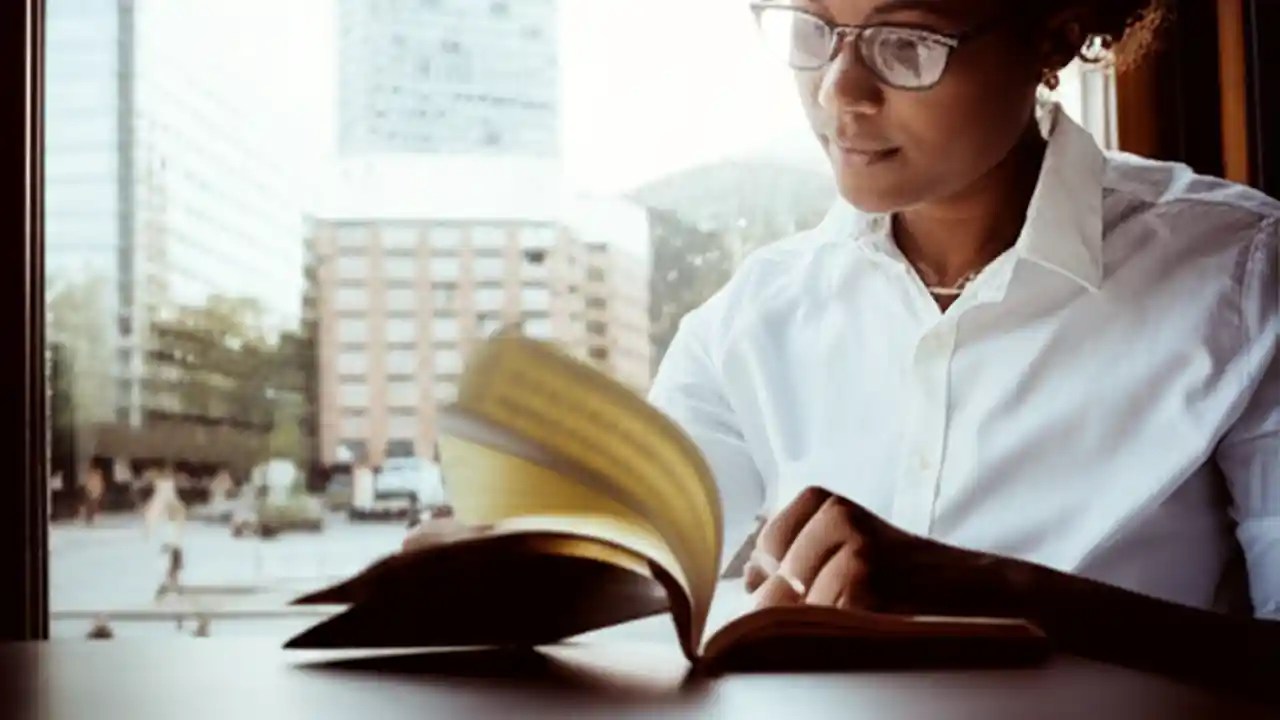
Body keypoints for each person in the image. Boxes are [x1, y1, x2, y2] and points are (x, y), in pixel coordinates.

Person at [403, 0, 1278, 696]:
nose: (839, 92)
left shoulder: (1239, 274)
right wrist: (508, 565)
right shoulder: (753, 320)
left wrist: (993, 590)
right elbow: (630, 556)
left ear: (1053, 34)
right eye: (813, 29)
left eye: (907, 43)